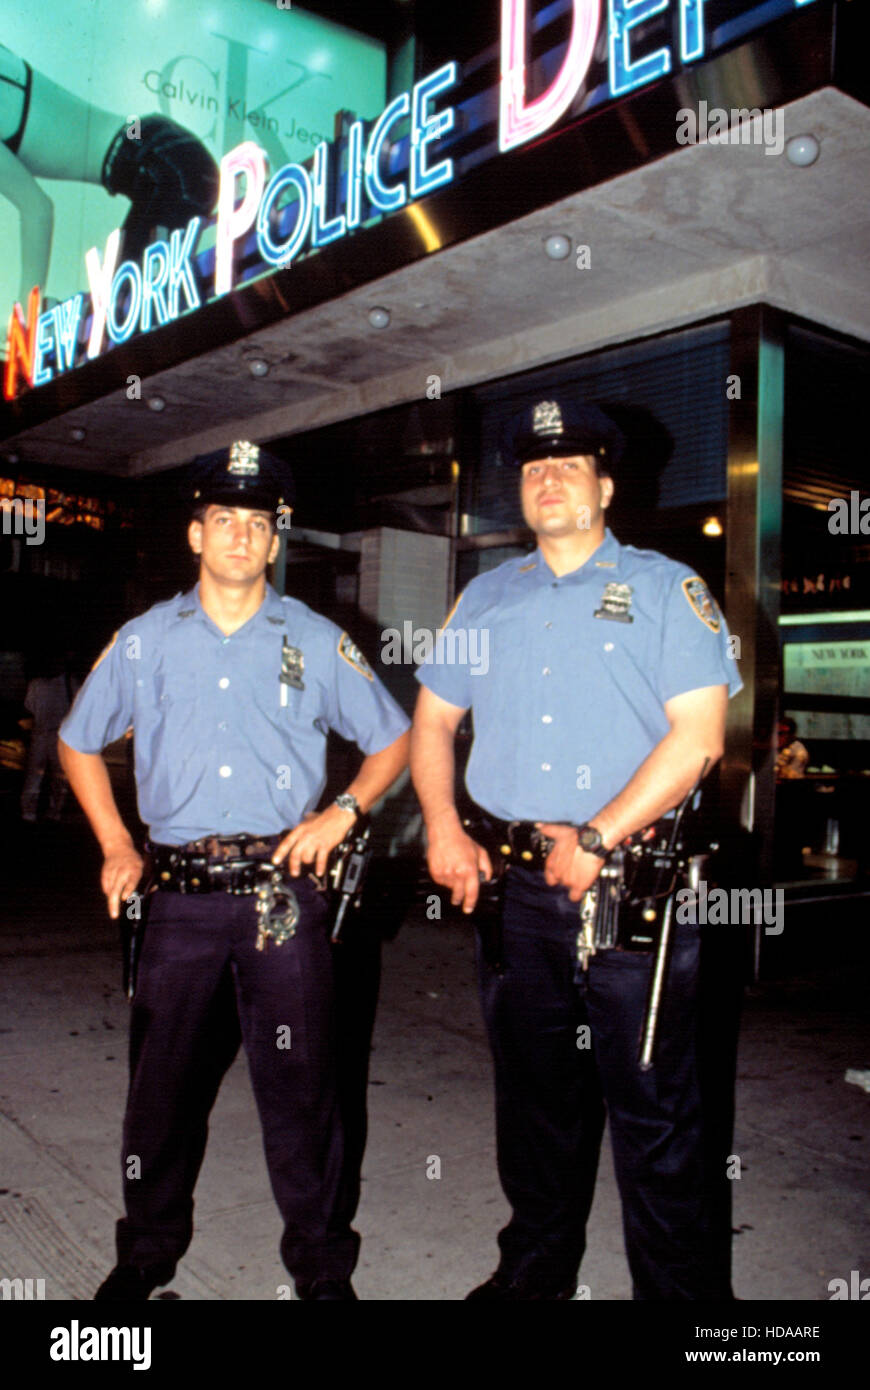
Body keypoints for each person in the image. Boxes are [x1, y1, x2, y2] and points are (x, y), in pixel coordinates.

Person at [58, 442, 410, 1301]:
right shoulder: (145, 641)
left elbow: (393, 739)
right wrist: (116, 843)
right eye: (224, 520)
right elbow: (75, 740)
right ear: (196, 534)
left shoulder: (315, 640)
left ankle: (321, 1269)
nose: (241, 536)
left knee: (305, 1092)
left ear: (274, 541)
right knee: (160, 1093)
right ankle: (146, 1253)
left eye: (258, 523)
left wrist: (343, 811)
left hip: (281, 901)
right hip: (176, 901)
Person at [410, 397, 743, 1300]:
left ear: (605, 486)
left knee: (657, 1118)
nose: (548, 479)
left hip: (632, 899)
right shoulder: (486, 597)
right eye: (533, 468)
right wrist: (442, 825)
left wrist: (600, 835)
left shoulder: (667, 588)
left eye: (569, 465)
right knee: (533, 1106)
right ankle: (535, 1276)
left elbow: (700, 738)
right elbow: (433, 722)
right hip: (518, 898)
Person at [1, 43, 218, 302]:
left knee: (126, 303)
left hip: (150, 155)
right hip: (148, 133)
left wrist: (26, 310)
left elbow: (37, 209)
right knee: (137, 300)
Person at [20, 655, 79, 822]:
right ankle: (45, 813)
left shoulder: (65, 684)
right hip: (49, 735)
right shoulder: (65, 684)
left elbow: (30, 707)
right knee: (46, 776)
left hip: (50, 735)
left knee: (48, 777)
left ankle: (39, 813)